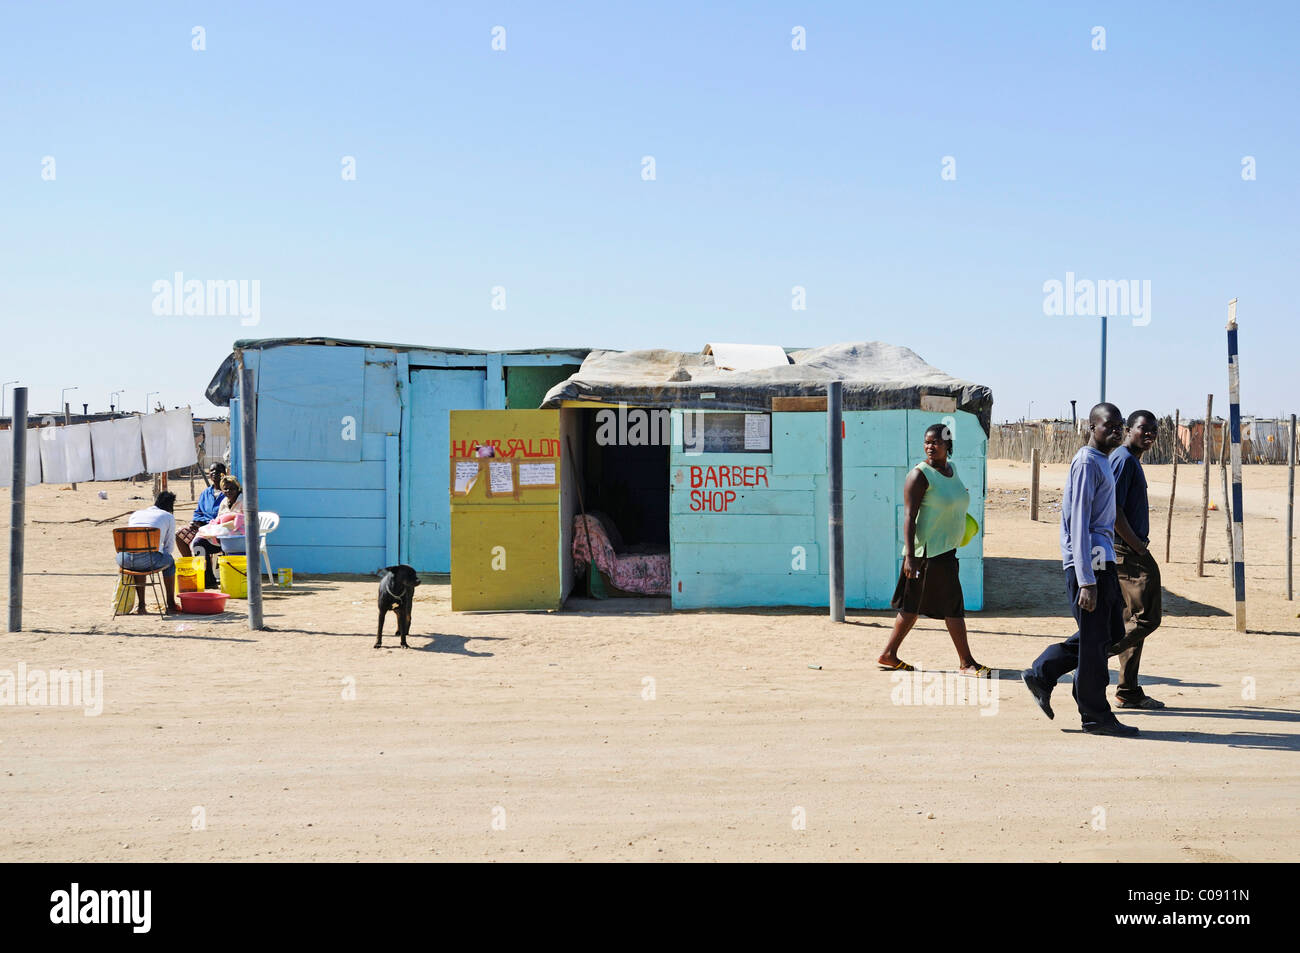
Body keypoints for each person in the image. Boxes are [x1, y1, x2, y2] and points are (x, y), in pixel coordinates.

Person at [1022, 403, 1138, 737]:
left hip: (1103, 562)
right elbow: (1078, 522)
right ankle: (1095, 715)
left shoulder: (1102, 461)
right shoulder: (1087, 462)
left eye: (1119, 425)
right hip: (1089, 564)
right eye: (1109, 425)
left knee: (1112, 633)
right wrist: (1087, 580)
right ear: (1092, 427)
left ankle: (1043, 671)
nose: (1115, 431)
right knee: (1094, 641)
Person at [878, 422, 989, 677]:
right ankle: (966, 662)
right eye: (927, 442)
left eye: (936, 442)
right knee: (952, 606)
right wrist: (910, 556)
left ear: (948, 445)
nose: (930, 446)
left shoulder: (953, 470)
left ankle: (889, 654)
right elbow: (909, 516)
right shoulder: (919, 475)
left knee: (911, 606)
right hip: (927, 554)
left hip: (946, 549)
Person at [1108, 410, 1164, 709]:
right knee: (1147, 617)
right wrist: (1138, 548)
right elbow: (1113, 510)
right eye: (1144, 428)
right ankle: (1091, 654)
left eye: (1154, 430)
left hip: (1129, 549)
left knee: (1132, 619)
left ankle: (1127, 690)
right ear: (1129, 429)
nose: (1150, 434)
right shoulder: (1123, 460)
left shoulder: (1131, 461)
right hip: (1126, 551)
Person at [116, 490, 180, 615]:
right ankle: (171, 604)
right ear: (170, 506)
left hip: (124, 559)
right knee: (170, 561)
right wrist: (160, 554)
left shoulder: (136, 514)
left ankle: (141, 606)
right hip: (146, 560)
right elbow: (169, 548)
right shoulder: (168, 516)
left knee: (140, 555)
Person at [193, 476, 244, 587]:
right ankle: (208, 580)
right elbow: (219, 520)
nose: (228, 491)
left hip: (238, 540)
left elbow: (245, 520)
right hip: (222, 537)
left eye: (232, 488)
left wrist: (227, 524)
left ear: (237, 489)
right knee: (198, 544)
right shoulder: (224, 502)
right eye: (225, 489)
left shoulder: (244, 501)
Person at [176, 463, 227, 556]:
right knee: (180, 533)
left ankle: (204, 567)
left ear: (224, 473)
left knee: (200, 542)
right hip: (202, 527)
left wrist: (208, 524)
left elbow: (227, 516)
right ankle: (190, 564)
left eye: (218, 471)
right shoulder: (205, 493)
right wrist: (197, 522)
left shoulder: (228, 492)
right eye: (212, 470)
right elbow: (198, 512)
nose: (214, 472)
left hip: (219, 530)